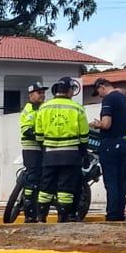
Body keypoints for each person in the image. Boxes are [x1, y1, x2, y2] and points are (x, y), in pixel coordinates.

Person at [34, 77, 90, 222]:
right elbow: (84, 135)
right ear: (70, 90)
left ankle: (41, 218)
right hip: (71, 154)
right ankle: (63, 218)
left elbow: (38, 134)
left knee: (46, 186)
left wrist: (45, 148)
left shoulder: (44, 108)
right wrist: (83, 153)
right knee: (66, 188)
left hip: (50, 154)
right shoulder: (77, 108)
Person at [89, 77, 126, 222]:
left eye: (99, 92)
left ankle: (112, 214)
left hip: (110, 144)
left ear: (102, 87)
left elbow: (106, 124)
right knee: (120, 181)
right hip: (123, 143)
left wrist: (96, 124)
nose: (100, 96)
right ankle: (119, 213)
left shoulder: (108, 99)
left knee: (111, 181)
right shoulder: (124, 99)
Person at [18, 82, 47, 222]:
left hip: (43, 148)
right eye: (39, 92)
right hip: (32, 149)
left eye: (43, 92)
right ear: (31, 95)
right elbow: (27, 130)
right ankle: (29, 214)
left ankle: (38, 212)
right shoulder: (29, 109)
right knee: (32, 180)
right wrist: (40, 136)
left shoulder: (44, 108)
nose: (42, 95)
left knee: (43, 180)